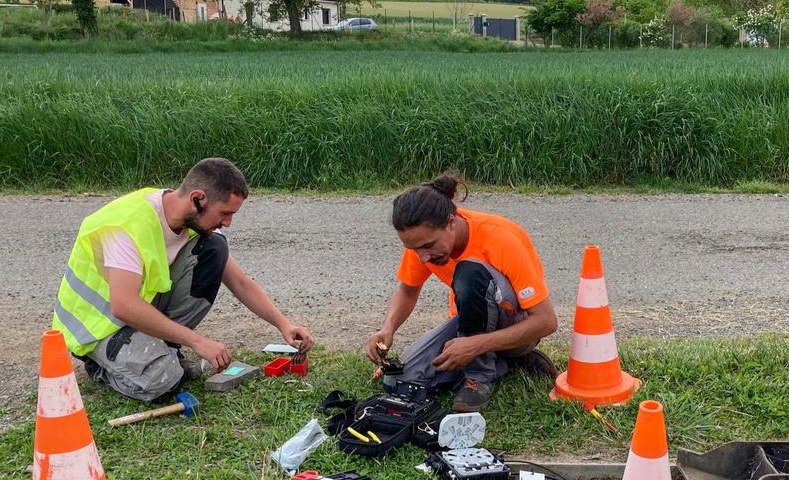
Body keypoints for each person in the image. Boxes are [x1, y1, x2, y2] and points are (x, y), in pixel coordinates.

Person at [51, 157, 313, 402]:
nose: (228, 222)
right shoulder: (127, 225)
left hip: (137, 310)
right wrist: (196, 341)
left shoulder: (188, 219)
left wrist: (283, 324)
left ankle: (160, 348)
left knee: (214, 249)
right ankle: (101, 368)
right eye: (224, 213)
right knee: (164, 380)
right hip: (100, 328)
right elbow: (124, 306)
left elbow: (240, 282)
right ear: (197, 199)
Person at [366, 172, 558, 412]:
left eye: (427, 246)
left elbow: (546, 321)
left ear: (451, 222)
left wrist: (475, 345)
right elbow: (408, 290)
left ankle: (481, 375)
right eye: (413, 249)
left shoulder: (500, 237)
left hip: (518, 328)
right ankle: (506, 364)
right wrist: (388, 328)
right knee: (398, 382)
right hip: (468, 326)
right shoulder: (421, 243)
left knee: (470, 272)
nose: (423, 257)